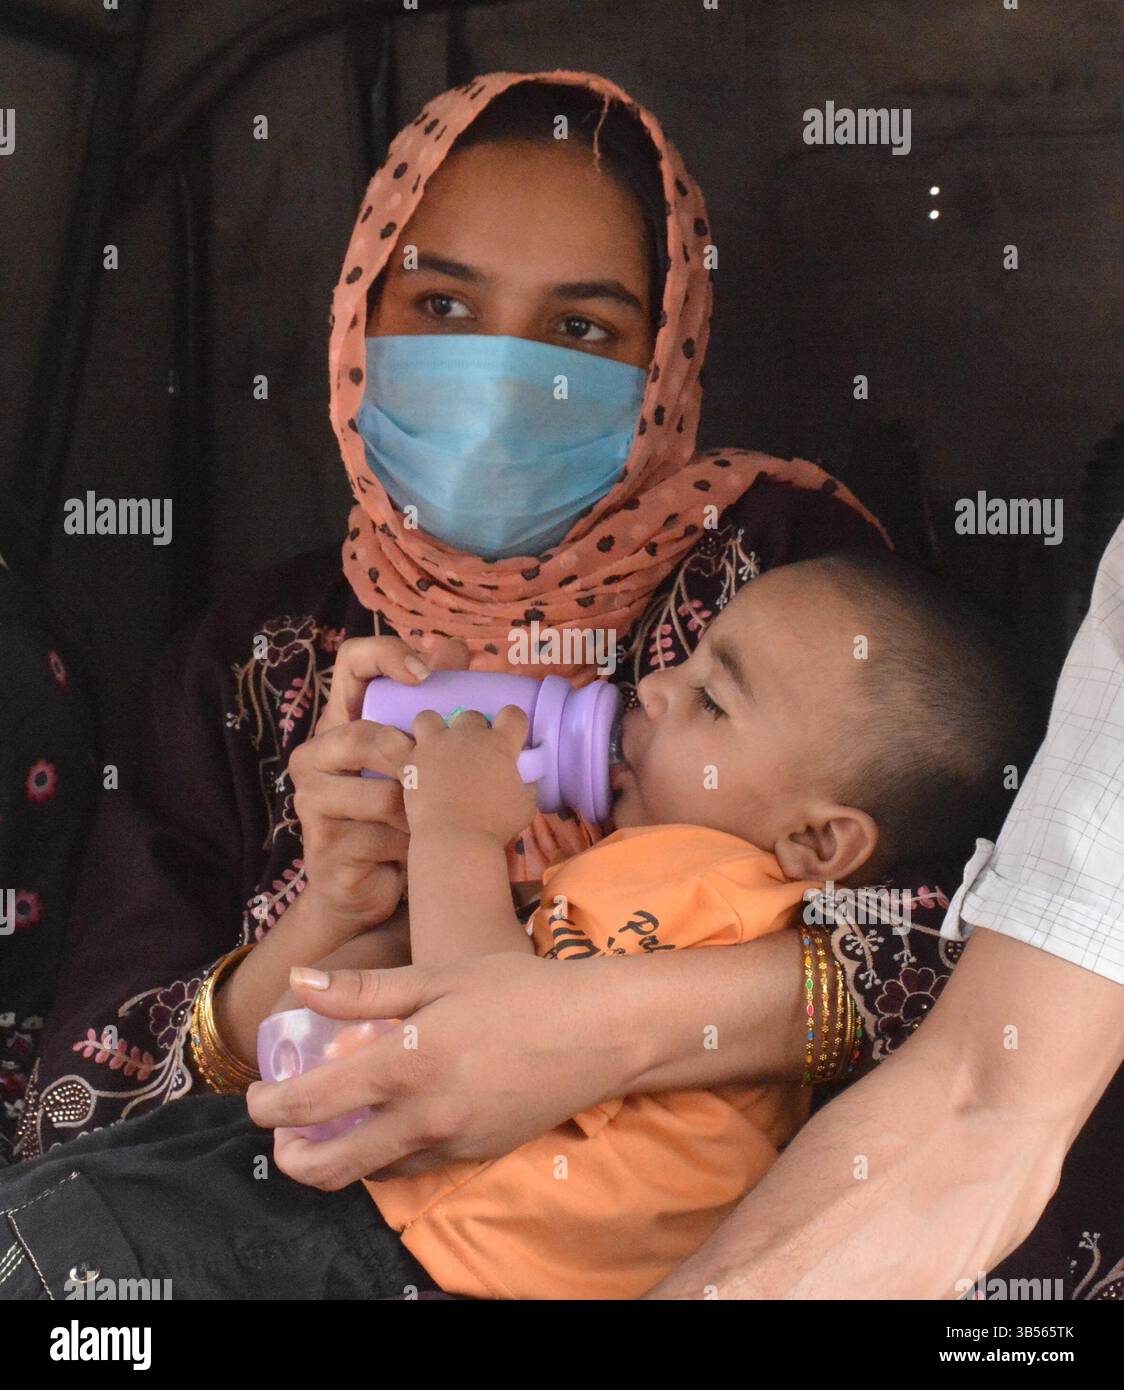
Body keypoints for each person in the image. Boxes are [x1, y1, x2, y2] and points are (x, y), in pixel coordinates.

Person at [0, 552, 1037, 1299]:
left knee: (79, 1250)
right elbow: (420, 992)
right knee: (67, 1212)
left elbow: (469, 1037)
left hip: (405, 1259)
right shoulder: (642, 868)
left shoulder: (723, 893)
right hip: (368, 1205)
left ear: (819, 843)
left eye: (712, 701)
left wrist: (456, 832)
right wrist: (375, 897)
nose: (654, 689)